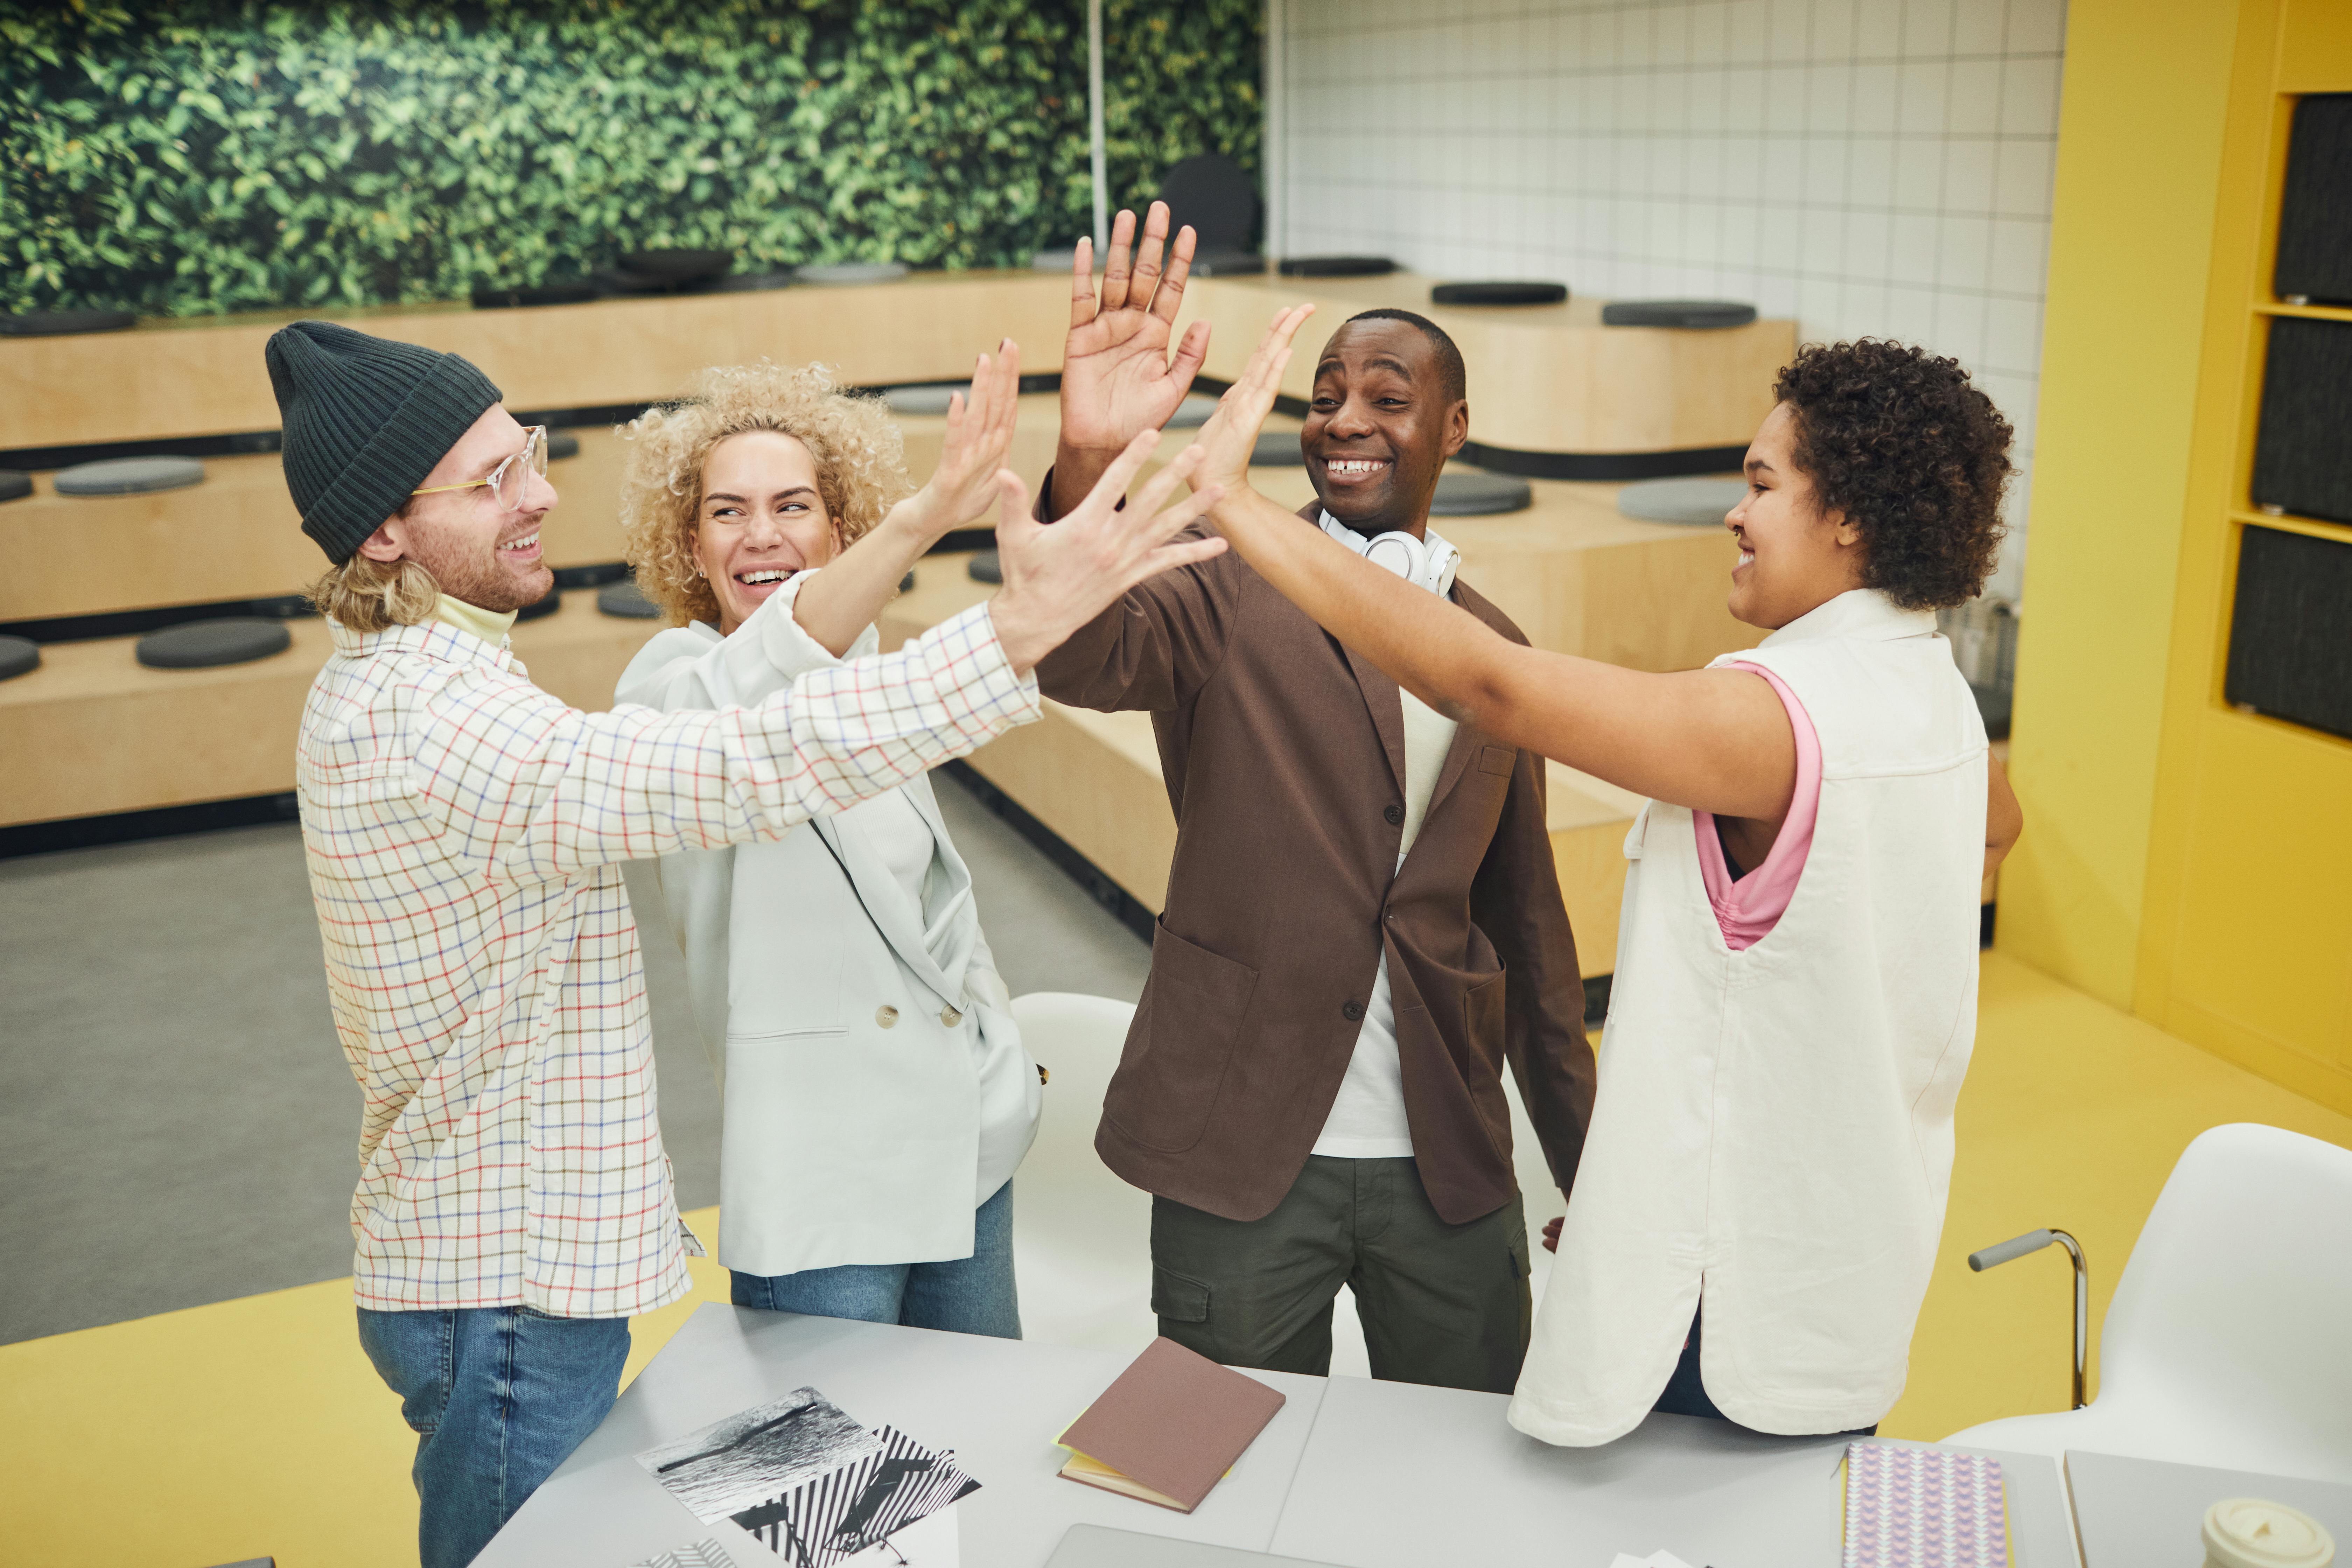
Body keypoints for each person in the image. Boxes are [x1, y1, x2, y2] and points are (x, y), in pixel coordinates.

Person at [267, 318, 1226, 1567]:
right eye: (494, 476)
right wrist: (1007, 629)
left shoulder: (454, 683)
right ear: (386, 528)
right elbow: (738, 753)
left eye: (531, 455)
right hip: (512, 1270)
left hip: (559, 1251)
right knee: (806, 1528)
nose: (540, 491)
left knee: (938, 1485)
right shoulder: (444, 717)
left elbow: (830, 756)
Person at [1188, 306, 2027, 1444]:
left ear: (1847, 519)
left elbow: (1495, 689)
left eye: (1763, 484)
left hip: (1713, 1290)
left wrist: (1228, 500)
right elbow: (1995, 831)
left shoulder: (1775, 723)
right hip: (1850, 1258)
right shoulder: (1936, 705)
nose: (1735, 511)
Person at [1032, 206, 1596, 1394]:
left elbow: (1531, 934)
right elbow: (1076, 653)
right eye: (1325, 391)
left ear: (1453, 428)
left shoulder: (1493, 649)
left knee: (1464, 1486)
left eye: (1386, 396)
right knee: (1216, 1469)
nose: (1344, 416)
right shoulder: (1218, 577)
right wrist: (1090, 459)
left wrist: (1590, 1177)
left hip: (1445, 1162)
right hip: (1236, 1149)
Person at [612, 350, 1038, 1337]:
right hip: (820, 1182)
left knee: (982, 1458)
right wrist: (924, 514)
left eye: (794, 506)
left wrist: (997, 1057)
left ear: (837, 528)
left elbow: (936, 909)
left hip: (961, 1146)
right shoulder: (671, 688)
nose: (761, 534)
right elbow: (766, 693)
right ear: (690, 542)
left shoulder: (873, 676)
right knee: (842, 1488)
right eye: (728, 511)